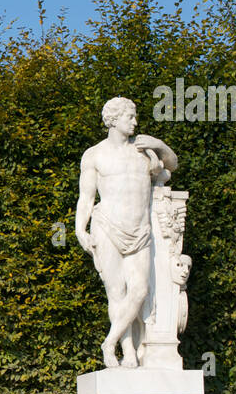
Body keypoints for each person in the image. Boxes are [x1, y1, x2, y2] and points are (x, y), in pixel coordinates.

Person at [74, 96, 178, 368]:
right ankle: (127, 351)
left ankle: (109, 341)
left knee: (140, 290)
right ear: (113, 119)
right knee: (116, 292)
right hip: (107, 226)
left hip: (140, 231)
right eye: (129, 117)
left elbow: (172, 166)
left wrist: (159, 144)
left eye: (135, 116)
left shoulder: (145, 151)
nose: (135, 121)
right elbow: (86, 198)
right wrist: (79, 230)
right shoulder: (95, 154)